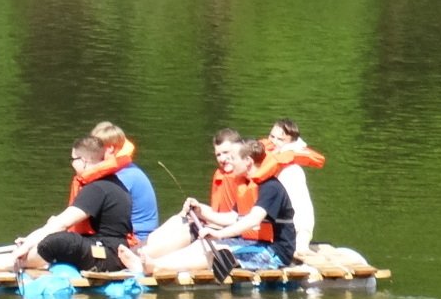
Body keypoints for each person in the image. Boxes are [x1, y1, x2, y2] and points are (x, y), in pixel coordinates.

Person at [122, 137, 296, 279]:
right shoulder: (249, 185)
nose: (230, 162)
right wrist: (201, 210)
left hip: (274, 252)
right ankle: (151, 261)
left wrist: (219, 234)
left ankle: (154, 266)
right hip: (254, 243)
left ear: (248, 162)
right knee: (203, 243)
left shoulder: (270, 188)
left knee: (218, 251)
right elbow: (233, 217)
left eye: (233, 159)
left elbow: (253, 219)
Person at [0, 136, 134, 276]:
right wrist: (30, 240)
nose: (72, 165)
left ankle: (0, 264)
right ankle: (29, 257)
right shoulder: (111, 183)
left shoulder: (97, 188)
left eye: (73, 160)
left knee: (58, 241)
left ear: (83, 161)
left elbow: (62, 224)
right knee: (53, 235)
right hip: (109, 249)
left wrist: (26, 246)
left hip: (108, 255)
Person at [138, 128, 249, 259]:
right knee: (178, 219)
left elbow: (236, 218)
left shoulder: (242, 178)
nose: (223, 159)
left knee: (187, 230)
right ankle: (140, 248)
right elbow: (217, 211)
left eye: (227, 153)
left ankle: (143, 256)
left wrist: (204, 217)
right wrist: (198, 209)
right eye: (218, 155)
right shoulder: (220, 175)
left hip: (228, 232)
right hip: (215, 224)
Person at [254, 118, 325, 257]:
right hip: (277, 225)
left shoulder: (292, 171)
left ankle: (301, 247)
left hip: (297, 229)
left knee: (300, 249)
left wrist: (301, 239)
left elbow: (302, 210)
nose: (273, 142)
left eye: (280, 139)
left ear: (291, 142)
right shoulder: (270, 159)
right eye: (271, 136)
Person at [91, 120, 160, 239]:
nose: (91, 154)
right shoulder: (124, 170)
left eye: (95, 149)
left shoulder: (124, 176)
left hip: (138, 239)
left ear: (110, 149)